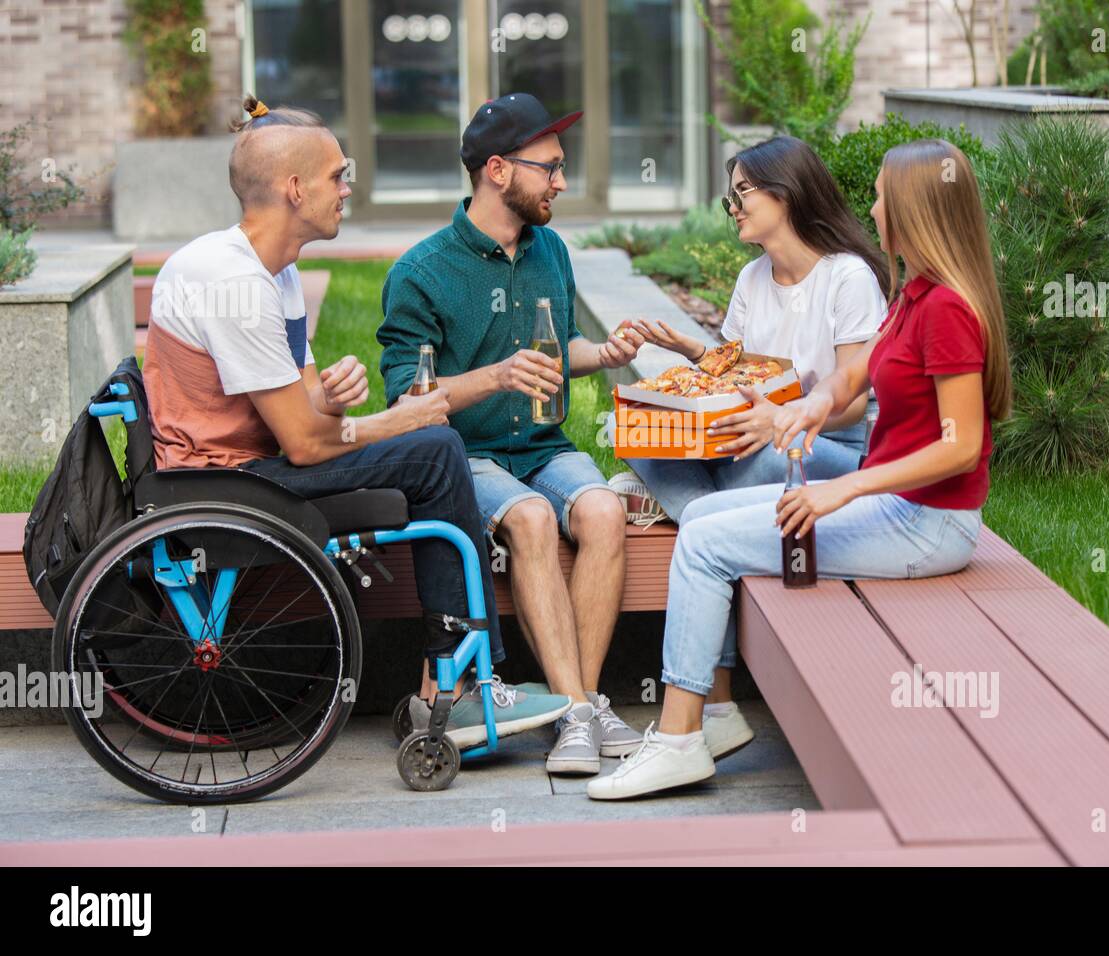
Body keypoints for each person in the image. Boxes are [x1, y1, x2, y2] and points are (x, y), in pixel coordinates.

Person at [588, 138, 1014, 800]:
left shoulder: (949, 310)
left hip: (928, 524)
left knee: (703, 542)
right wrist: (812, 405)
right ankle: (703, 720)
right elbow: (855, 373)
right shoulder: (914, 295)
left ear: (914, 208)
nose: (871, 207)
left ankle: (679, 738)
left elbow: (961, 447)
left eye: (881, 195)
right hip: (896, 506)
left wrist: (843, 487)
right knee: (698, 516)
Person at [145, 96, 572, 754]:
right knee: (433, 450)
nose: (349, 188)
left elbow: (313, 412)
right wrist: (396, 419)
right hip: (224, 482)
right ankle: (456, 685)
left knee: (430, 445)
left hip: (249, 465)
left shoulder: (274, 271)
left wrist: (339, 400)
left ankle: (449, 683)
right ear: (293, 189)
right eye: (338, 175)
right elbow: (305, 443)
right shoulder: (233, 282)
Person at [378, 93, 650, 775]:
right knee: (530, 520)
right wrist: (494, 378)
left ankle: (577, 707)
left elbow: (555, 354)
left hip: (544, 447)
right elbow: (405, 404)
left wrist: (603, 354)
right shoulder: (421, 271)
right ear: (497, 170)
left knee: (603, 511)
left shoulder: (549, 248)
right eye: (549, 168)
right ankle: (578, 709)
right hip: (465, 455)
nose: (561, 181)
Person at [619, 135, 890, 524]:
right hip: (759, 426)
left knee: (766, 458)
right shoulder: (752, 277)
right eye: (731, 197)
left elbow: (851, 406)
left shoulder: (848, 277)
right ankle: (708, 514)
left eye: (743, 191)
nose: (733, 208)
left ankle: (689, 508)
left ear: (786, 191)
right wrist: (695, 352)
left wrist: (776, 421)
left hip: (828, 441)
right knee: (634, 426)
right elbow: (737, 377)